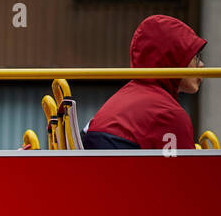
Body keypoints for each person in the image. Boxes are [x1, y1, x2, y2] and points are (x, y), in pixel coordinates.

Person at [85, 15, 206, 150]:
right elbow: (185, 169)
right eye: (195, 56)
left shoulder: (126, 98)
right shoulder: (168, 114)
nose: (201, 65)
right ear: (173, 57)